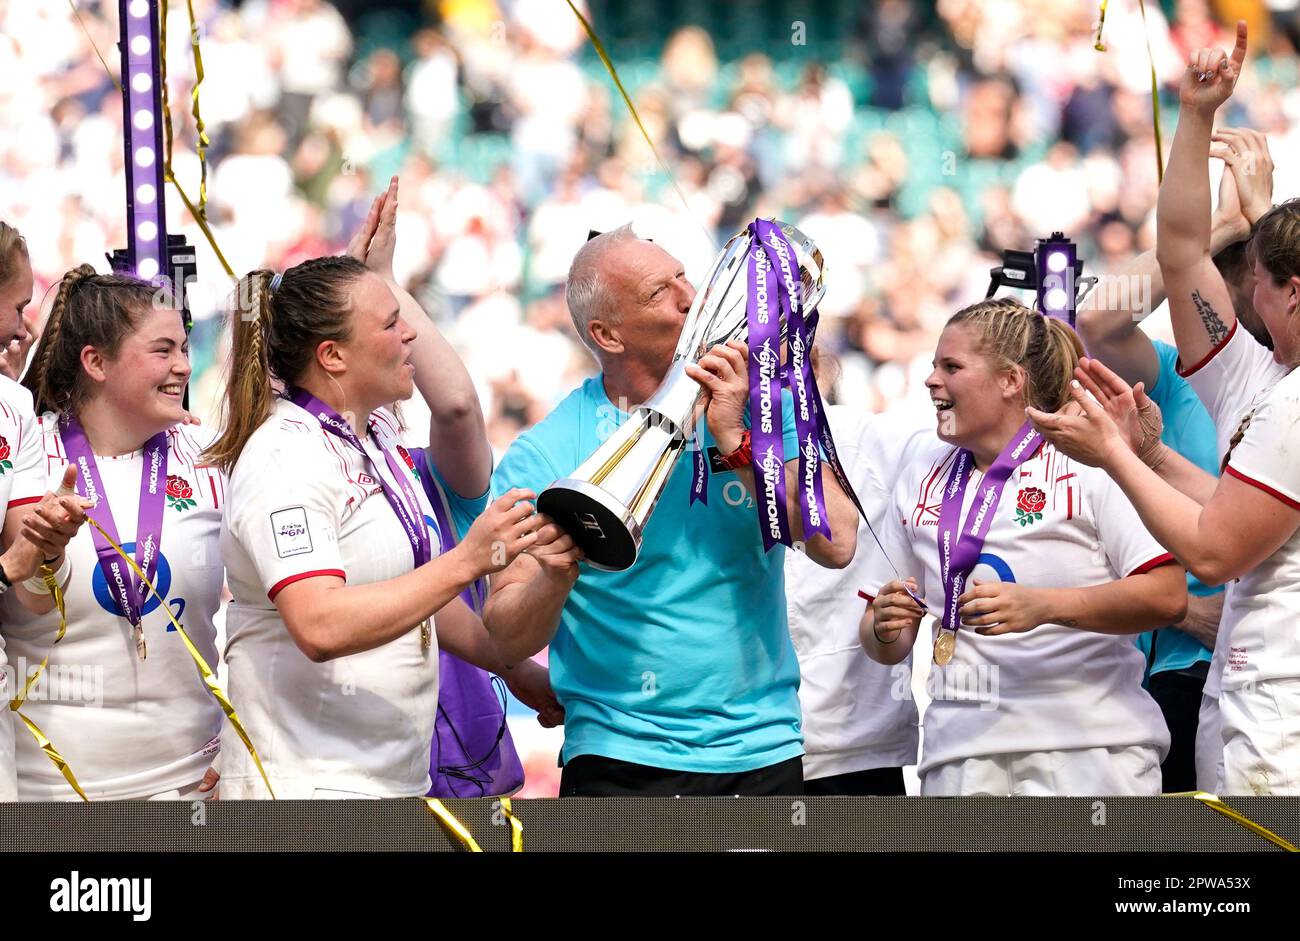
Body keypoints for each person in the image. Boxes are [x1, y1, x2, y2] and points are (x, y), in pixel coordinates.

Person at [483, 223, 860, 797]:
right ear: (608, 335)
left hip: (762, 749)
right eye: (660, 292)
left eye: (686, 276)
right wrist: (556, 575)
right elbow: (507, 637)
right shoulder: (547, 452)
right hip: (617, 755)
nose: (692, 296)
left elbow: (835, 544)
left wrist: (739, 447)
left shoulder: (765, 407)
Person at [209, 181, 548, 799]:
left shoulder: (371, 438)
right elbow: (320, 624)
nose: (409, 336)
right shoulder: (286, 458)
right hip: (306, 793)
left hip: (390, 780)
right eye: (391, 324)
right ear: (333, 356)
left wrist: (514, 669)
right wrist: (467, 560)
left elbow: (407, 587)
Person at [1031, 23, 1300, 795]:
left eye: (1260, 278)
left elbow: (1215, 553)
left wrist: (1117, 454)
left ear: (1291, 292)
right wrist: (1195, 116)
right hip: (1246, 703)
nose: (1245, 290)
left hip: (1281, 716)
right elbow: (1181, 249)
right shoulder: (1260, 374)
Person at [860, 297, 1186, 796]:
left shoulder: (1089, 460)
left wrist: (1044, 606)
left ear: (1011, 381)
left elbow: (1167, 595)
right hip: (958, 752)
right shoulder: (920, 475)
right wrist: (883, 627)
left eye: (951, 367)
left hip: (1089, 747)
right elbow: (889, 637)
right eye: (932, 366)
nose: (931, 381)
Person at [343, 179, 561, 799]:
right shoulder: (296, 467)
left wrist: (386, 281)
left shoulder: (425, 472)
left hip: (447, 744)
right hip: (349, 754)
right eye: (385, 328)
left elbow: (460, 407)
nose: (405, 340)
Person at [1072, 132, 1275, 791]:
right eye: (1227, 263)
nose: (1232, 280)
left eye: (1249, 263)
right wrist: (1221, 226)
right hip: (1182, 668)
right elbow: (1095, 319)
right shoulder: (1182, 372)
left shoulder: (1282, 384)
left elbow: (1241, 521)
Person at [0, 261, 225, 801]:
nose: (183, 368)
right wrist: (40, 550)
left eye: (185, 348)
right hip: (50, 798)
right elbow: (23, 589)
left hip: (191, 790)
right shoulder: (31, 455)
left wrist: (242, 749)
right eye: (162, 350)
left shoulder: (210, 458)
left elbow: (256, 617)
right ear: (96, 362)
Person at [785, 351, 924, 795]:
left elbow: (995, 446)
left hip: (852, 751)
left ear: (815, 362)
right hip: (723, 753)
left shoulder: (879, 441)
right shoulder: (694, 451)